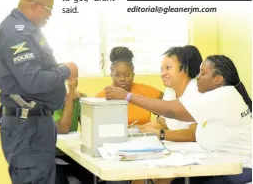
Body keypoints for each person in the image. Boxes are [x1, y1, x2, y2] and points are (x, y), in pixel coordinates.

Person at [105, 55, 252, 184]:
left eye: (203, 73)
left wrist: (128, 96)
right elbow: (166, 116)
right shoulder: (211, 95)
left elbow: (172, 110)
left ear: (218, 79)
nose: (198, 77)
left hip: (240, 167)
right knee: (158, 176)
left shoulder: (224, 95)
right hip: (215, 161)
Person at [0, 0, 78, 184]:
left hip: (34, 125)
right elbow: (33, 81)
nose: (49, 16)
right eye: (49, 10)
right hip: (28, 127)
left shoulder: (27, 31)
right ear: (34, 5)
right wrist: (66, 70)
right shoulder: (17, 33)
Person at [138, 45, 203, 142]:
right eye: (162, 69)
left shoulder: (196, 90)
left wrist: (160, 134)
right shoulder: (170, 90)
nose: (163, 74)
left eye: (168, 68)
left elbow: (193, 134)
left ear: (184, 68)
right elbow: (162, 123)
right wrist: (135, 130)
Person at [96, 46, 164, 125]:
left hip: (144, 136)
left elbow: (169, 103)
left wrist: (161, 119)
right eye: (117, 75)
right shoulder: (101, 97)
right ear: (111, 75)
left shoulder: (146, 91)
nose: (122, 79)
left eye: (127, 75)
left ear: (133, 75)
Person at [54, 78, 94, 184]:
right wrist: (70, 98)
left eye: (75, 78)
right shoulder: (51, 101)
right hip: (53, 156)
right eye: (69, 79)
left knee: (94, 178)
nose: (73, 82)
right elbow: (63, 128)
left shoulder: (81, 98)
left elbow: (91, 127)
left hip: (74, 154)